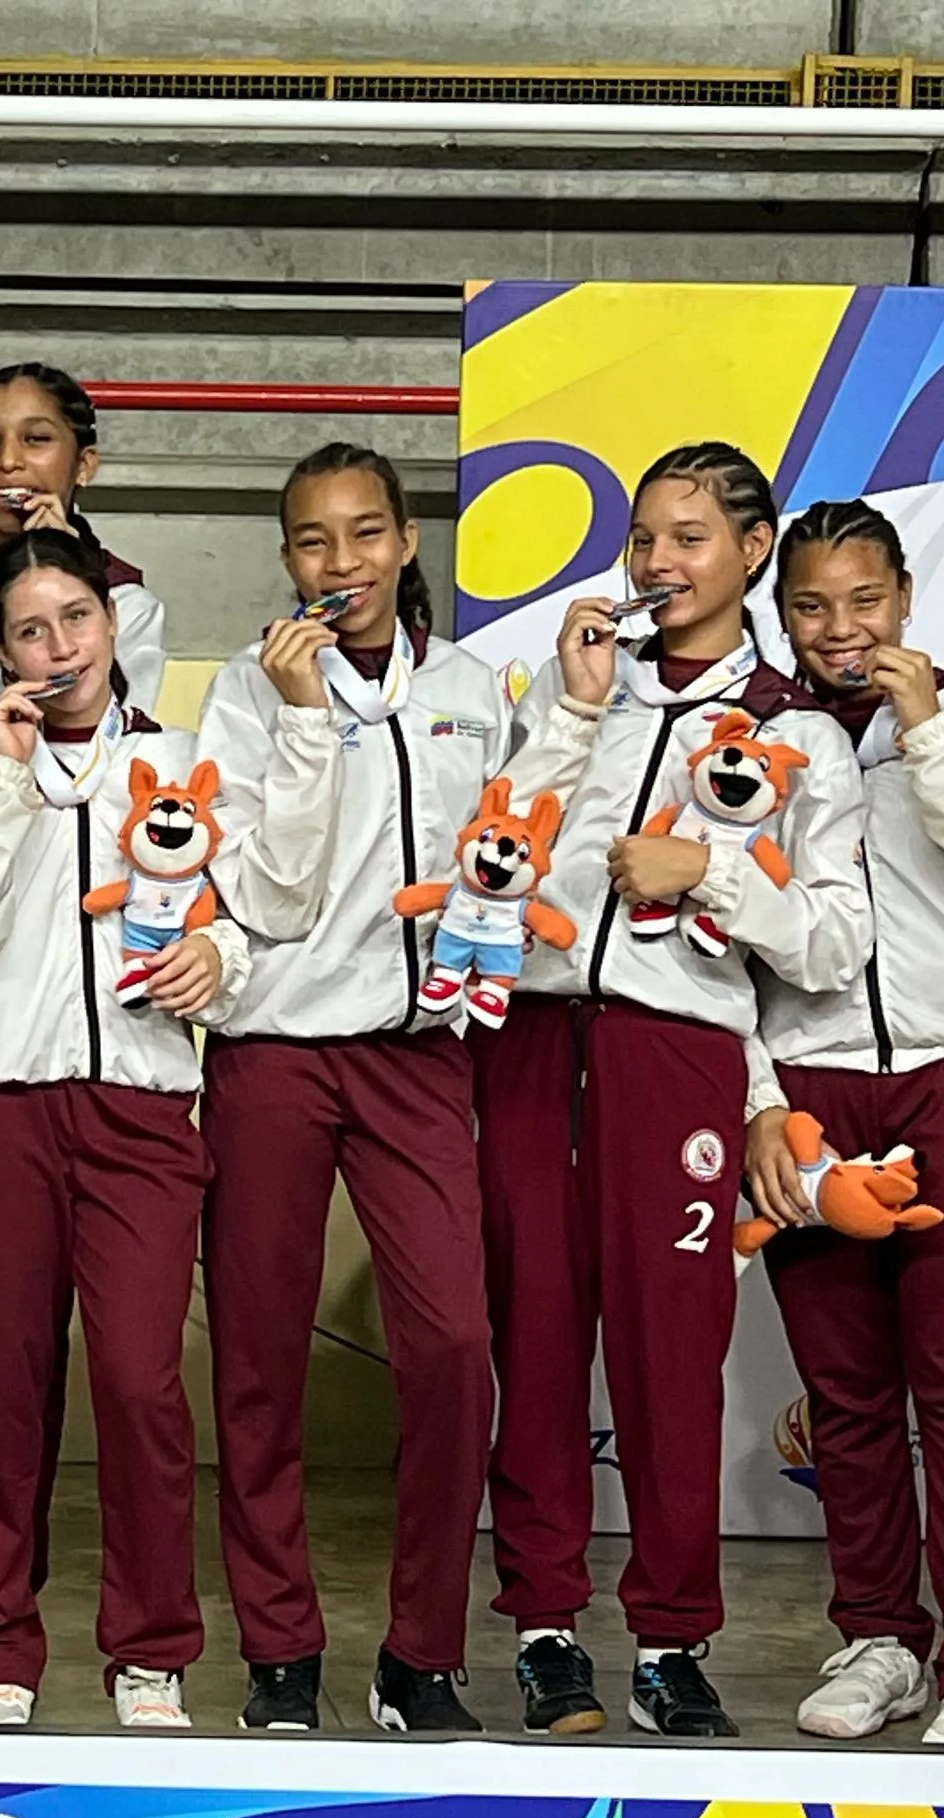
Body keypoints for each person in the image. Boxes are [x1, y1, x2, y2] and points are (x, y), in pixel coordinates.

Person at [196, 444, 609, 1736]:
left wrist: (581, 718)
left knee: (452, 1348)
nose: (342, 566)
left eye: (366, 535)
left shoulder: (474, 688)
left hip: (419, 1053)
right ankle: (280, 1649)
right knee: (259, 1360)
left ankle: (420, 1652)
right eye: (314, 542)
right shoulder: (246, 698)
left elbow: (511, 834)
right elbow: (264, 893)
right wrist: (308, 720)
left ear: (407, 544)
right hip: (269, 1048)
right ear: (287, 561)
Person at [481, 442, 872, 1739]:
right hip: (533, 1045)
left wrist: (701, 874)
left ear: (754, 552)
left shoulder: (794, 726)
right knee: (534, 1342)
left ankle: (668, 1639)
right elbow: (494, 856)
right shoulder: (577, 686)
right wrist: (576, 714)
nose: (659, 562)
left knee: (668, 1363)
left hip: (679, 1060)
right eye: (646, 535)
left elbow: (828, 942)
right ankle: (543, 1625)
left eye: (691, 537)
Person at [0, 528, 285, 1731]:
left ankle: (149, 1653)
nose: (57, 647)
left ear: (114, 623)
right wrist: (2, 785)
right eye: (30, 629)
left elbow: (250, 921)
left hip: (137, 1108)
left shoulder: (184, 763)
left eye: (75, 618)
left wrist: (214, 955)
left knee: (137, 1386)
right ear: (1, 649)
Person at [746, 499, 944, 1748]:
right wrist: (763, 1097)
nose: (839, 630)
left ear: (906, 599)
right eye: (811, 605)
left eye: (862, 601)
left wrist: (923, 730)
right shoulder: (753, 738)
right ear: (783, 612)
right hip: (815, 1083)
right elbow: (729, 932)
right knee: (847, 1390)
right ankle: (879, 1637)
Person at [0, 364, 168, 730]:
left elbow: (122, 729)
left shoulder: (124, 601)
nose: (8, 462)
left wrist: (61, 567)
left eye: (36, 439)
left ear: (84, 464)